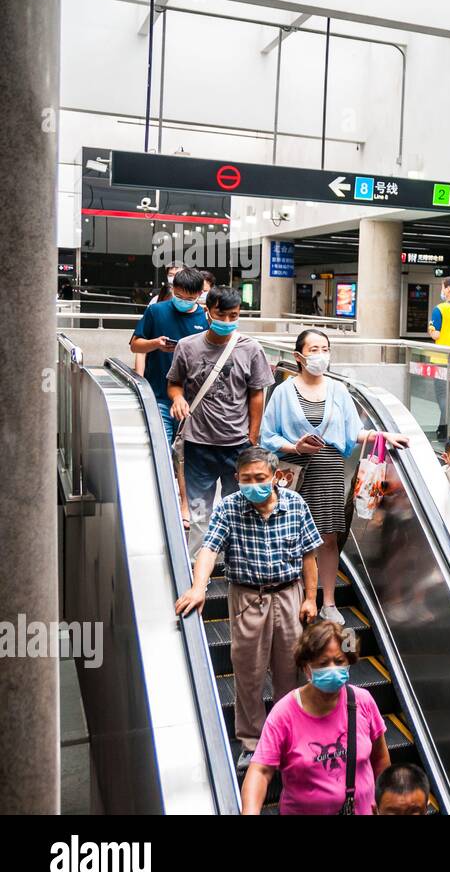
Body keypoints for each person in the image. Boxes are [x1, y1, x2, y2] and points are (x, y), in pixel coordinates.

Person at [175, 447, 323, 771]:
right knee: (248, 673)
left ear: (274, 477)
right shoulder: (229, 507)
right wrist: (199, 587)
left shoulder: (295, 504)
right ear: (236, 479)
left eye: (260, 478)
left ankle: (288, 736)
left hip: (288, 596)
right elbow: (209, 549)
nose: (254, 484)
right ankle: (252, 743)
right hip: (247, 598)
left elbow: (310, 556)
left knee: (290, 671)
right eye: (246, 479)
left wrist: (311, 598)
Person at [261, 328, 409, 625]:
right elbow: (267, 436)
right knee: (291, 536)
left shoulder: (338, 391)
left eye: (324, 348)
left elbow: (353, 433)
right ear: (298, 356)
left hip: (328, 466)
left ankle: (327, 602)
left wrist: (384, 435)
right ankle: (298, 597)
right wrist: (294, 446)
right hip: (293, 469)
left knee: (327, 537)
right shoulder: (283, 391)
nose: (320, 355)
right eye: (314, 349)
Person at [241, 620, 391, 815]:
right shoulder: (284, 713)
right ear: (306, 667)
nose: (332, 669)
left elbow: (380, 758)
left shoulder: (362, 701)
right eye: (322, 663)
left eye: (339, 662)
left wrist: (386, 802)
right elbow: (260, 771)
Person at [167, 286, 275, 532]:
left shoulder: (251, 349)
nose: (227, 321)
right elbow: (174, 383)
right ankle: (199, 562)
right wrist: (178, 398)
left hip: (237, 443)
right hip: (198, 443)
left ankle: (234, 559)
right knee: (198, 511)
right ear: (208, 312)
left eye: (233, 315)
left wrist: (252, 437)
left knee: (240, 507)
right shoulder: (187, 346)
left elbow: (256, 393)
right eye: (221, 314)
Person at [129, 267, 210, 444]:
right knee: (161, 448)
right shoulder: (156, 311)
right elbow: (135, 345)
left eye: (190, 299)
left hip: (191, 400)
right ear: (173, 289)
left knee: (185, 453)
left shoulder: (205, 319)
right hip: (158, 395)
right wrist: (155, 343)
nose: (183, 301)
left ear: (199, 294)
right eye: (179, 296)